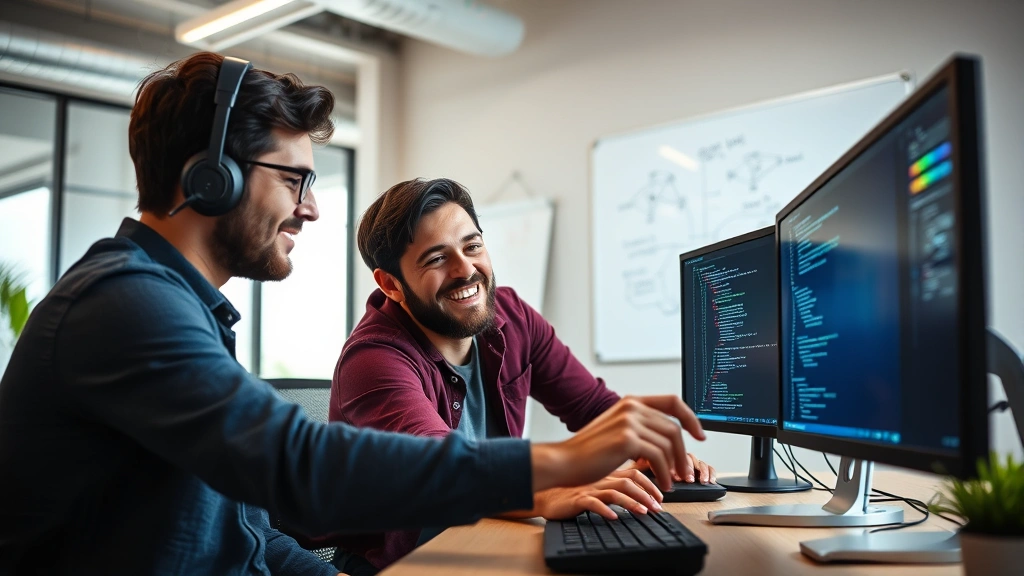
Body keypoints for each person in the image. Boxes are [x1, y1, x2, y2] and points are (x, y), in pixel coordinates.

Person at [0, 53, 707, 575]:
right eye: (294, 179)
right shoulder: (124, 303)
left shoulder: (182, 309)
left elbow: (252, 533)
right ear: (209, 179)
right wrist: (556, 463)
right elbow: (298, 467)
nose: (309, 206)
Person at [326, 177, 717, 573]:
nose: (466, 270)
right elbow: (444, 469)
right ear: (391, 284)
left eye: (473, 246)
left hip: (490, 534)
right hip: (403, 563)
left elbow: (592, 406)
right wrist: (549, 491)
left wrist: (650, 448)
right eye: (437, 259)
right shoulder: (372, 359)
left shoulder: (512, 317)